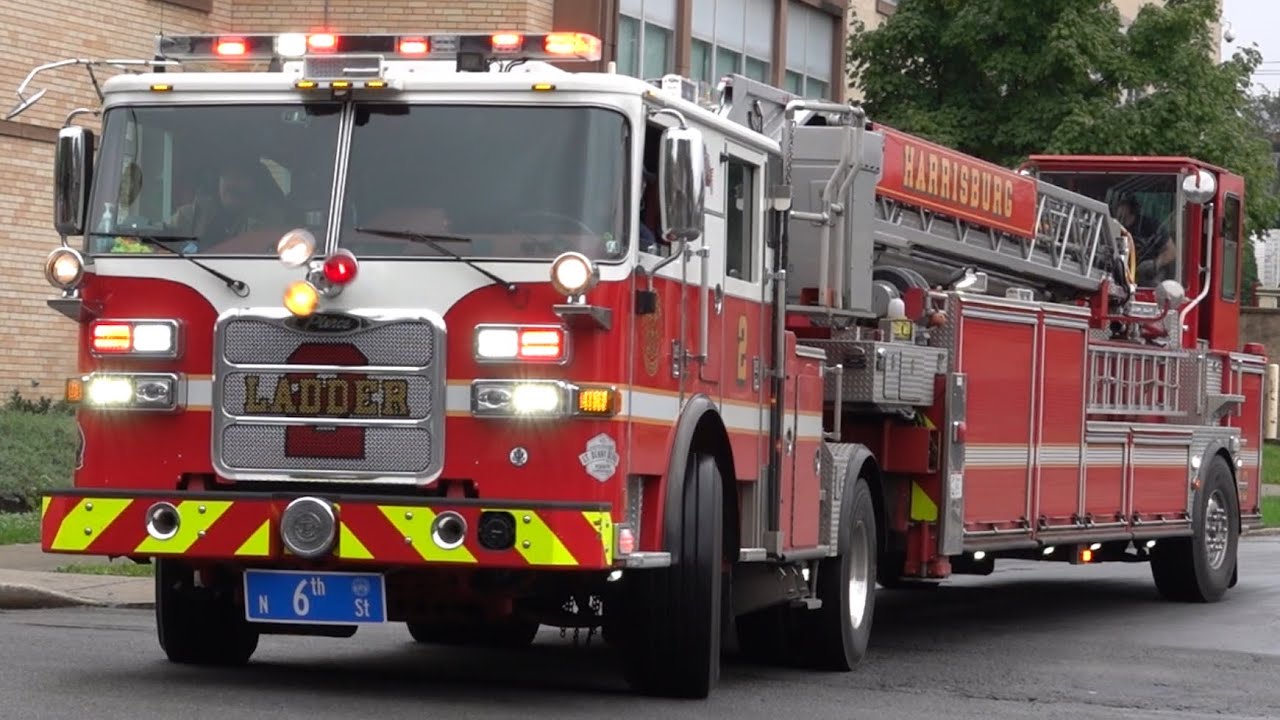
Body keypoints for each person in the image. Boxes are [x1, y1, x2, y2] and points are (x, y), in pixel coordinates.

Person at [166, 155, 291, 248]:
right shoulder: (189, 215)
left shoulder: (269, 219)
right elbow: (161, 242)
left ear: (255, 185)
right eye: (227, 176)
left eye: (241, 177)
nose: (233, 184)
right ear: (217, 182)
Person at [1114, 195, 1175, 286]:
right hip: (1120, 275)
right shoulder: (1114, 226)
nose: (1117, 210)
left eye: (1121, 206)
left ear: (1131, 209)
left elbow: (1172, 251)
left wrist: (1155, 264)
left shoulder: (1151, 225)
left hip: (1148, 277)